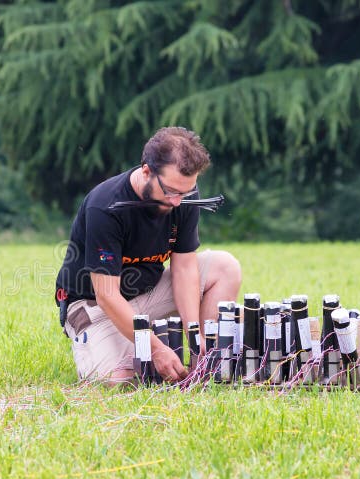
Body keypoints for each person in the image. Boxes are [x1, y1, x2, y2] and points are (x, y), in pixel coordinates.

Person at [55, 126, 241, 386]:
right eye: (171, 192)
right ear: (146, 172)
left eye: (186, 192)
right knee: (118, 380)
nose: (178, 202)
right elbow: (107, 295)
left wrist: (194, 332)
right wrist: (154, 348)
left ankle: (205, 361)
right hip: (95, 306)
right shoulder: (105, 206)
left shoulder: (182, 195)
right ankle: (132, 346)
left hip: (147, 295)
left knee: (225, 267)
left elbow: (184, 269)